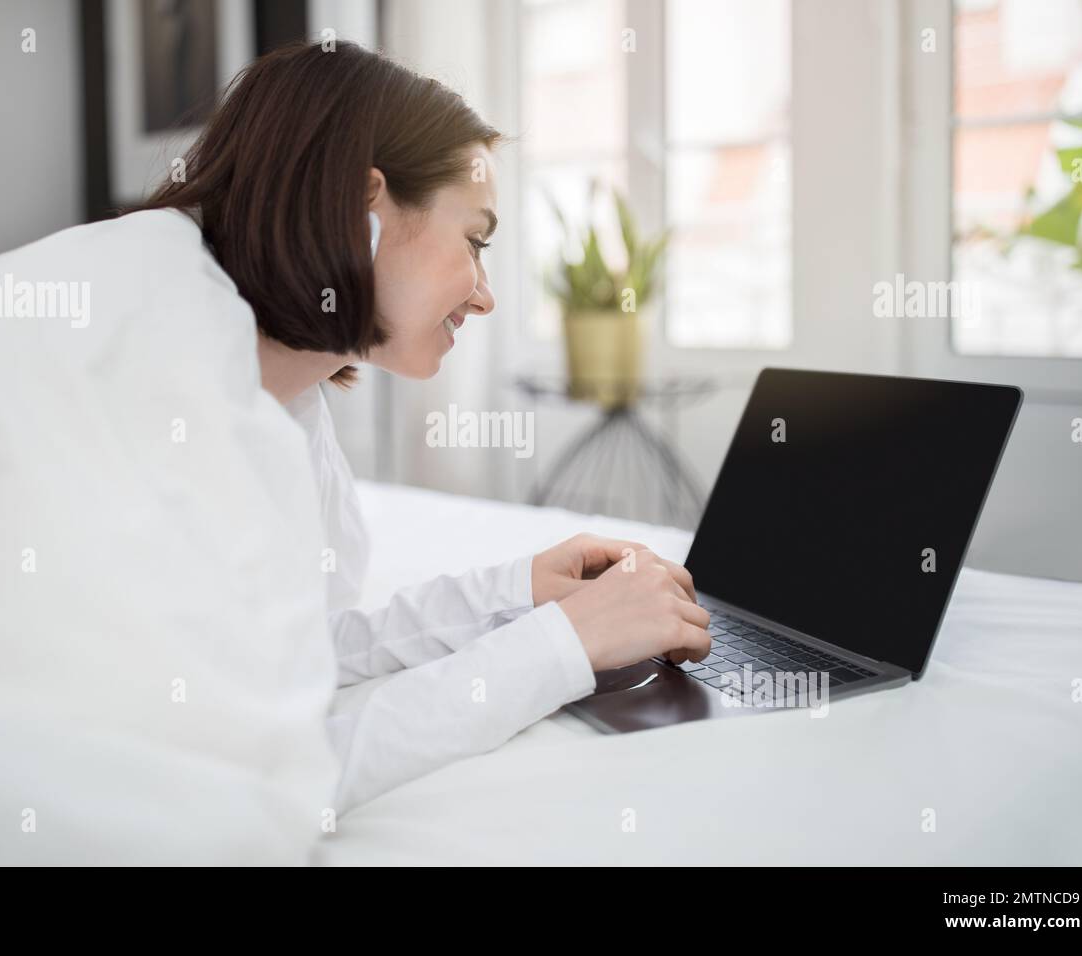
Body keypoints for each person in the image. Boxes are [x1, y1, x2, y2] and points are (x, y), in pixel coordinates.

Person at [130, 40, 712, 812]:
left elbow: (299, 652)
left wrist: (515, 594)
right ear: (362, 207)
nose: (484, 296)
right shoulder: (170, 406)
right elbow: (254, 780)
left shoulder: (288, 397)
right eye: (474, 240)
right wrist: (564, 646)